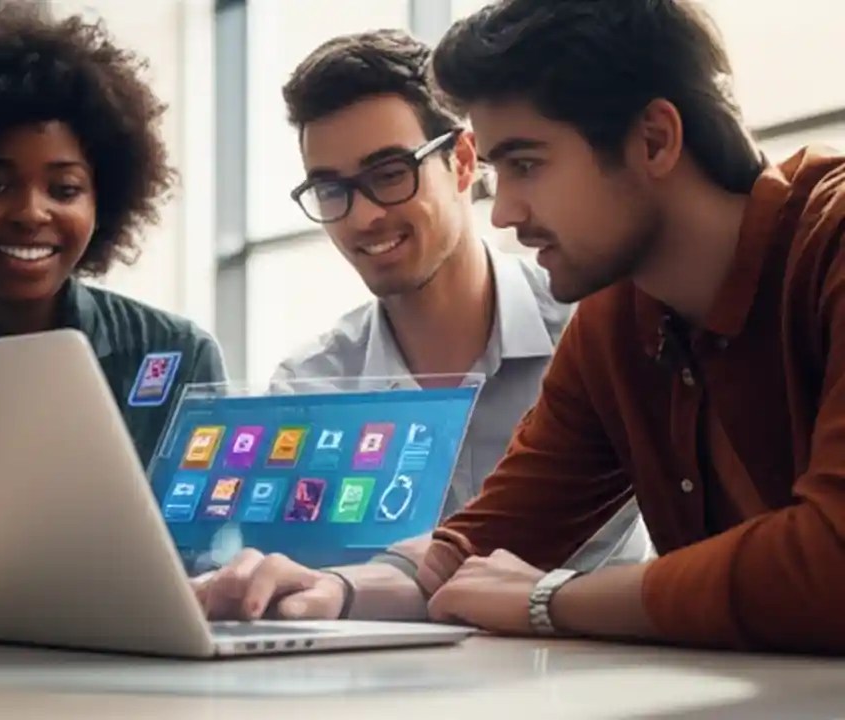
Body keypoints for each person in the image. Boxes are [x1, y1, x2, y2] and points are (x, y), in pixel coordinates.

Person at [194, 0, 845, 655]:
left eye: (527, 164)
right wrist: (336, 589)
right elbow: (488, 542)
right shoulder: (616, 322)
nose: (503, 212)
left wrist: (548, 600)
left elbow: (832, 560)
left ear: (653, 140)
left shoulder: (831, 242)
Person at [267, 29, 649, 569]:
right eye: (332, 190)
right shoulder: (309, 389)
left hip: (596, 651)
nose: (362, 216)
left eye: (390, 174)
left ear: (464, 163)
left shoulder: (597, 331)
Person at [0, 7, 227, 533]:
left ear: (104, 201)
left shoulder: (178, 355)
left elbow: (214, 545)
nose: (31, 212)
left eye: (64, 189)